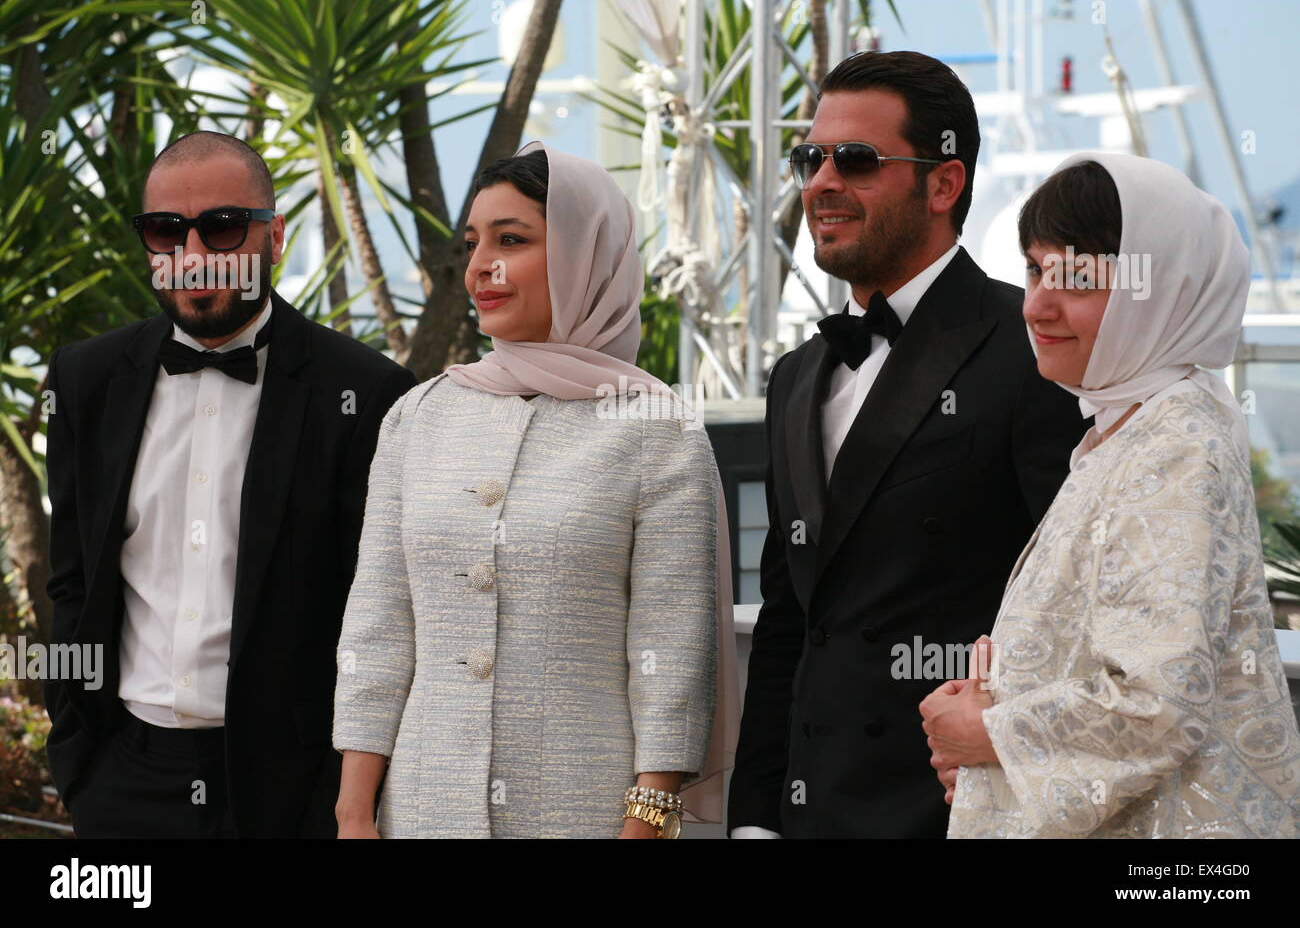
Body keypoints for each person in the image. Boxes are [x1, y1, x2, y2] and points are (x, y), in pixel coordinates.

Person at [727, 50, 1089, 838]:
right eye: (810, 159)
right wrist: (755, 817)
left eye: (856, 160)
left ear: (944, 183)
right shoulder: (796, 376)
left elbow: (1073, 607)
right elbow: (790, 620)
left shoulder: (1034, 349)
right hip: (808, 812)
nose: (822, 182)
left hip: (955, 813)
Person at [331, 141, 738, 839]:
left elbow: (672, 655)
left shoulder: (657, 430)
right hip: (420, 810)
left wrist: (646, 824)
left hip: (585, 812)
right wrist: (352, 814)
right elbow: (378, 625)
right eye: (472, 244)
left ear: (584, 255)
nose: (480, 266)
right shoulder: (417, 417)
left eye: (511, 240)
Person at [43, 131, 416, 837]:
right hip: (120, 777)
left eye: (221, 227)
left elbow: (382, 613)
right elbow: (72, 583)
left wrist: (342, 798)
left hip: (291, 789)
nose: (193, 256)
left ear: (274, 236)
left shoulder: (366, 393)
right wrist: (75, 754)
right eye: (166, 230)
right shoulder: (85, 379)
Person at [925, 152, 1300, 838]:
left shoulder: (1177, 446)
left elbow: (1155, 703)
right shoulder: (1132, 426)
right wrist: (991, 751)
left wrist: (989, 733)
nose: (1036, 305)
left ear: (1158, 292)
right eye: (1035, 270)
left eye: (1077, 279)